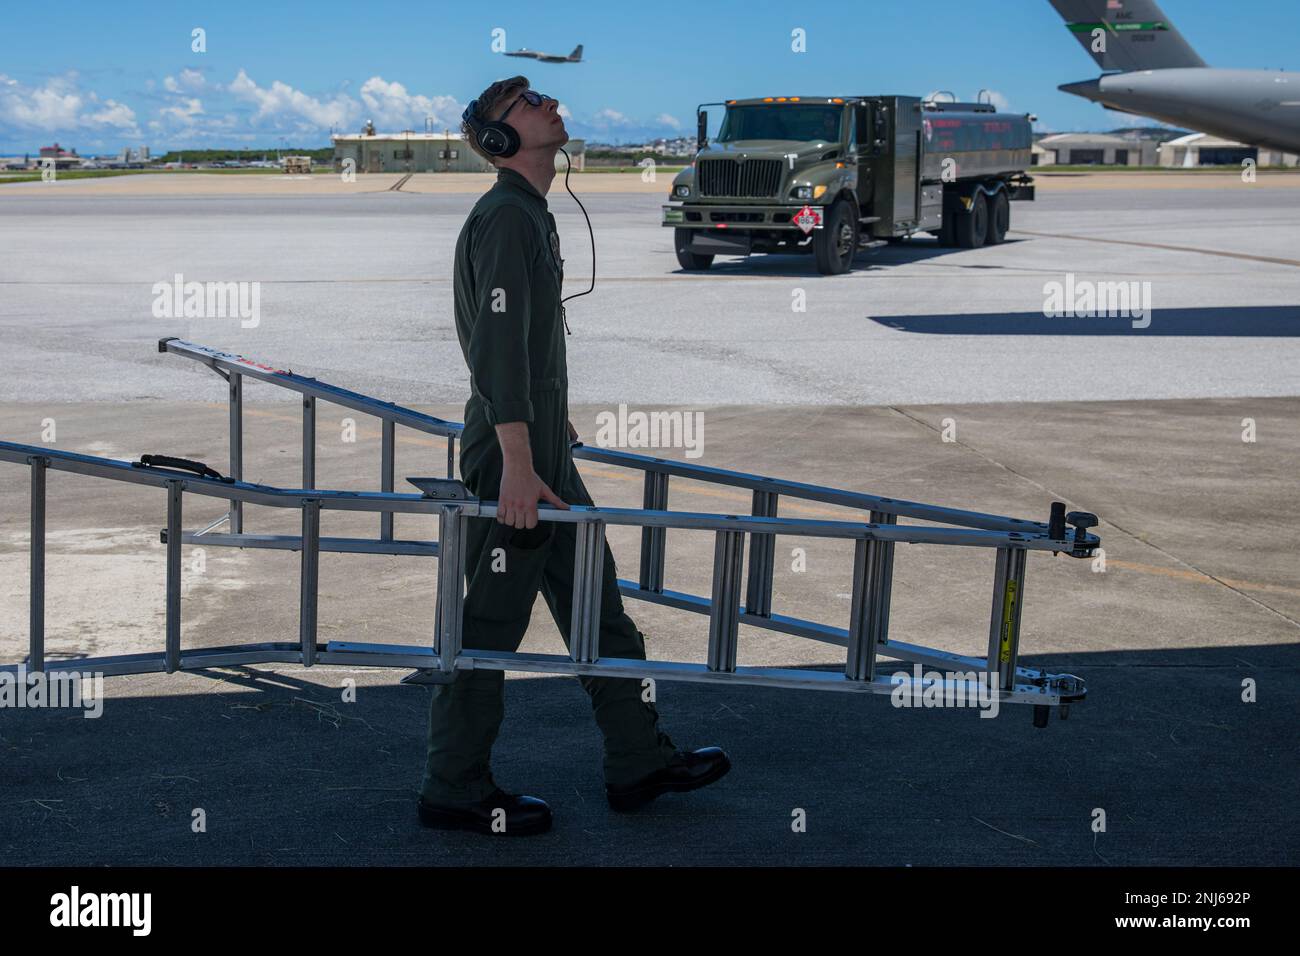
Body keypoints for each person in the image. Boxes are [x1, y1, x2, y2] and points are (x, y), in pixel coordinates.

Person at [417, 75, 731, 836]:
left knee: (597, 606)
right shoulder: (505, 218)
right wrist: (521, 463)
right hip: (515, 464)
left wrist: (553, 430)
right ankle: (454, 787)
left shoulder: (531, 213)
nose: (550, 104)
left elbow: (529, 353)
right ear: (498, 140)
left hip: (543, 452)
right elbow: (494, 353)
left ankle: (637, 758)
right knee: (489, 627)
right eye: (527, 104)